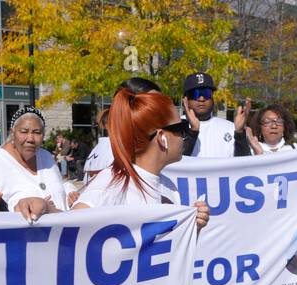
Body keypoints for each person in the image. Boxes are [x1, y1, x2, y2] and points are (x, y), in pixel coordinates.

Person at [74, 85, 210, 231]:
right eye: (181, 127)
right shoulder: (111, 184)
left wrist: (191, 228)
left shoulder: (168, 185)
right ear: (161, 137)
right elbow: (68, 232)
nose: (185, 135)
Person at [0, 106, 69, 222]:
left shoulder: (46, 157)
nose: (30, 138)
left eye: (36, 132)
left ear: (43, 135)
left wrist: (70, 192)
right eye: (24, 132)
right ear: (13, 133)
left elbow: (59, 187)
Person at [180, 72, 247, 158]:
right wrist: (193, 131)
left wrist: (240, 134)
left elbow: (244, 165)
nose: (202, 99)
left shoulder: (230, 127)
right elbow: (174, 164)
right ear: (186, 99)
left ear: (212, 98)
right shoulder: (175, 127)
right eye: (195, 94)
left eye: (206, 93)